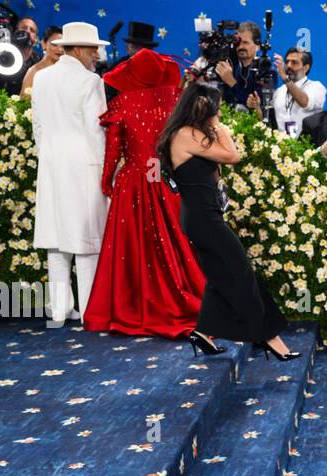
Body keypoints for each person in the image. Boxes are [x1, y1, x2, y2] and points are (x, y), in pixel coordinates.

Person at [159, 82, 297, 361]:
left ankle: (204, 332)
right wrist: (219, 128)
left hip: (206, 217)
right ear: (203, 109)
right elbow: (233, 155)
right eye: (217, 110)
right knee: (242, 273)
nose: (220, 115)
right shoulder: (185, 135)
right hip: (202, 220)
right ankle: (269, 337)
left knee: (221, 276)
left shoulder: (192, 133)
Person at [82, 50, 206, 340]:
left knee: (133, 247)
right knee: (173, 242)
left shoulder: (122, 103)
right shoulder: (176, 100)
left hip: (133, 183)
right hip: (163, 178)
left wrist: (106, 181)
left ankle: (133, 307)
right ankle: (182, 299)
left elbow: (113, 149)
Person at [31, 21, 110, 328]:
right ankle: (90, 311)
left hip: (51, 165)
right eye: (93, 50)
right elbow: (96, 132)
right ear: (77, 48)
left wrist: (49, 156)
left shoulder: (42, 78)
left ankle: (61, 310)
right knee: (87, 244)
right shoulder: (91, 82)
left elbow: (38, 127)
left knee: (57, 241)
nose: (96, 56)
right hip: (84, 167)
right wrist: (105, 171)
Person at [271, 47, 325, 138]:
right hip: (281, 147)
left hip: (308, 146)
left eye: (294, 62)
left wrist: (285, 78)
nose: (288, 66)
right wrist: (256, 106)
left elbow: (305, 102)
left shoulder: (316, 87)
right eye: (287, 62)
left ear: (306, 68)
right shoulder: (279, 91)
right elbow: (270, 119)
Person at [20, 25, 61, 97]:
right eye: (54, 44)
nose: (60, 49)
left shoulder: (66, 71)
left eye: (63, 45)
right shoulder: (34, 71)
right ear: (43, 44)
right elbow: (23, 103)